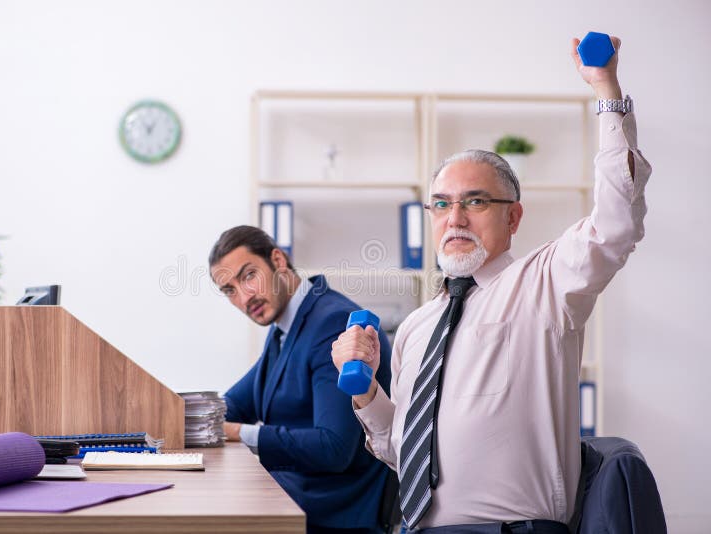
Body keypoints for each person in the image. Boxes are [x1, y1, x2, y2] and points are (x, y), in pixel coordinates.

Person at [331, 36, 650, 533]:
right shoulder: (418, 326)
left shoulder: (545, 284)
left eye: (475, 202)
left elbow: (617, 222)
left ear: (514, 217)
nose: (454, 217)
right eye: (441, 204)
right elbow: (401, 452)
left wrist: (606, 90)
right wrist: (367, 391)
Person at [209, 225, 394, 533]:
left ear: (278, 261)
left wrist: (240, 433)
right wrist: (181, 414)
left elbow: (333, 448)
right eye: (230, 290)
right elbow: (234, 404)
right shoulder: (286, 327)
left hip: (333, 513)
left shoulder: (330, 323)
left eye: (249, 276)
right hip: (297, 499)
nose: (244, 297)